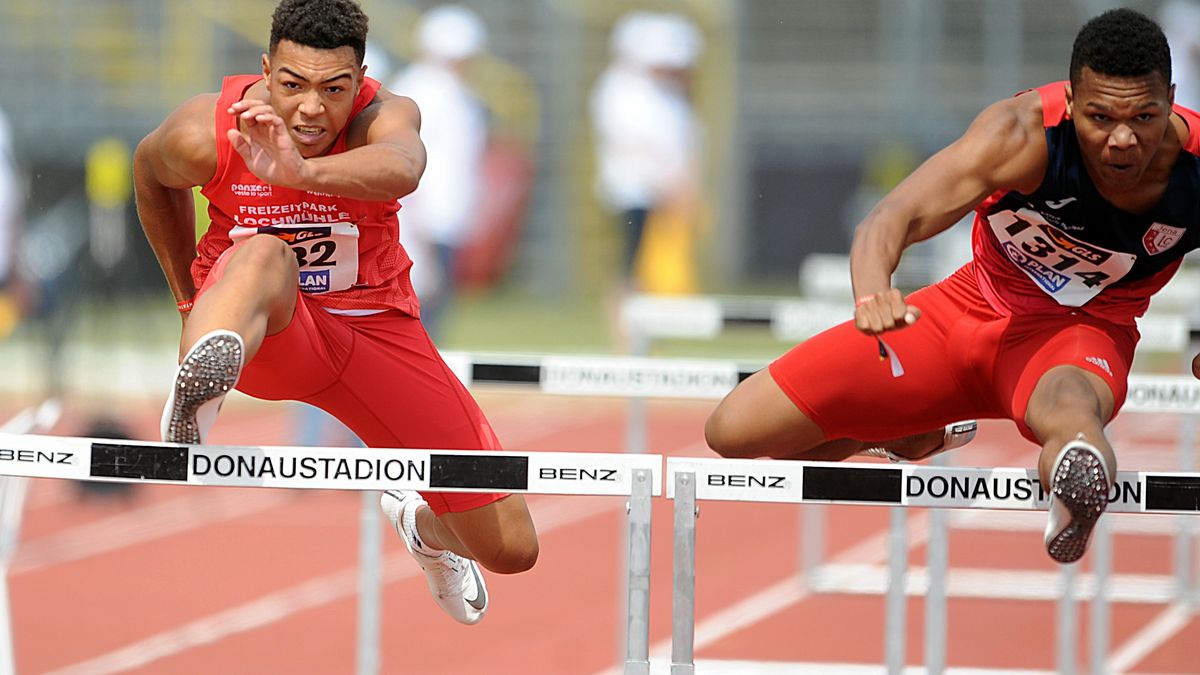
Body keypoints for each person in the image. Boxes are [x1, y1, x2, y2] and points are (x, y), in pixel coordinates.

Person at [705, 8, 1199, 565]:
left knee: (1072, 414)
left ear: (1171, 99)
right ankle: (911, 433)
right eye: (1100, 118)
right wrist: (872, 292)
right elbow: (894, 215)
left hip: (1080, 334)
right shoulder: (1019, 135)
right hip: (963, 311)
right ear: (1070, 101)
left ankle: (1076, 493)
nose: (1123, 140)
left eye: (1144, 117)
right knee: (733, 432)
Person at [133, 0, 537, 625]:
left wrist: (303, 172)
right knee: (264, 253)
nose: (311, 109)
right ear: (265, 71)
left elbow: (405, 166)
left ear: (361, 82)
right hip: (273, 334)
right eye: (292, 85)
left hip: (376, 334)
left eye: (334, 90)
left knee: (512, 548)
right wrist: (190, 300)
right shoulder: (207, 131)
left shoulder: (387, 114)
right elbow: (149, 172)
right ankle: (200, 381)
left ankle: (422, 528)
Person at [388, 4, 489, 339]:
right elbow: (408, 155)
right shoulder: (422, 90)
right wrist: (418, 218)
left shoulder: (454, 93)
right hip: (421, 216)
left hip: (443, 215)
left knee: (436, 302)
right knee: (419, 305)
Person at [589, 11, 704, 292]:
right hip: (637, 188)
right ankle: (627, 313)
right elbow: (631, 141)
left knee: (662, 264)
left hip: (664, 189)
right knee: (632, 261)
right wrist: (664, 180)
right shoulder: (620, 89)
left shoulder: (667, 94)